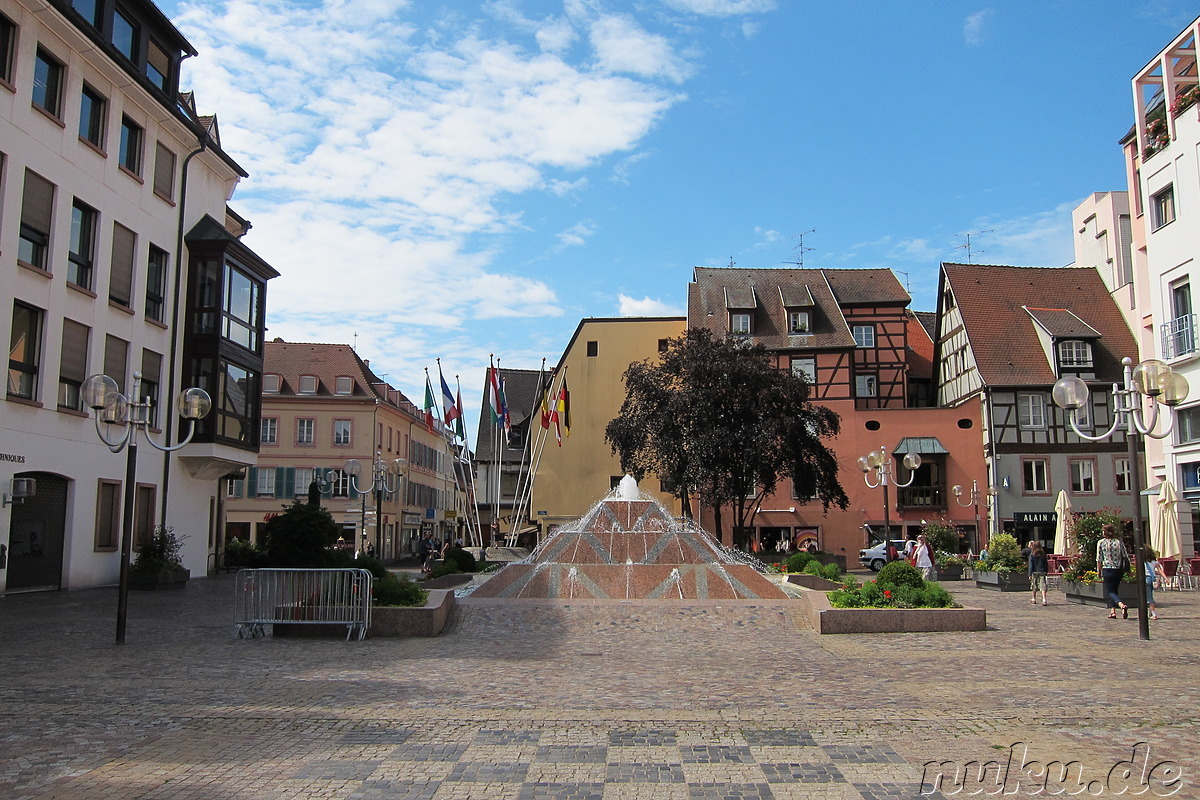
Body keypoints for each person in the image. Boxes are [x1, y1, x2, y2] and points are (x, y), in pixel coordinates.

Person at [1096, 523, 1131, 619]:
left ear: (1105, 532)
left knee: (1110, 591)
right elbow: (1125, 555)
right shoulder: (1119, 542)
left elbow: (1099, 558)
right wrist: (1129, 569)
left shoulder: (1101, 542)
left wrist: (1098, 571)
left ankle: (1121, 605)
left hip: (1107, 568)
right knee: (1115, 589)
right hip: (1118, 569)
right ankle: (1113, 611)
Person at [1142, 546, 1166, 620]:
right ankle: (1150, 612)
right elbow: (1160, 570)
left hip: (1145, 578)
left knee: (1148, 598)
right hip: (1152, 579)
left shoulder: (1142, 561)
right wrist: (1166, 578)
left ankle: (1153, 613)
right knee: (1149, 595)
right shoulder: (1154, 561)